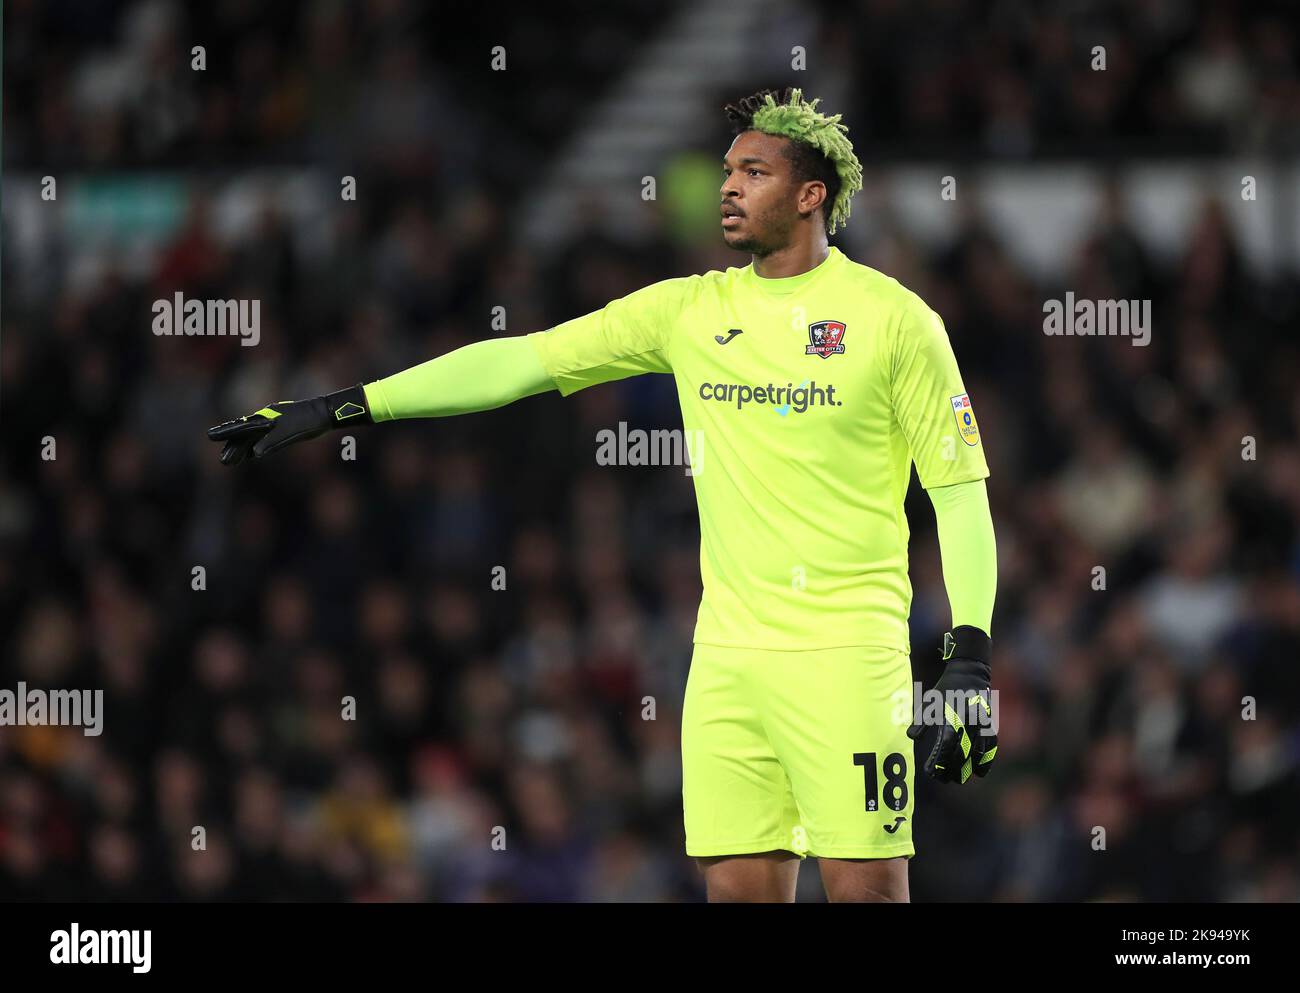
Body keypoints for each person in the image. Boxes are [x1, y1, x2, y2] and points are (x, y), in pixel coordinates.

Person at [208, 87, 998, 903]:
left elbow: (961, 494)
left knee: (867, 891)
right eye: (727, 170)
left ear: (810, 196)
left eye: (752, 173)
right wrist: (346, 404)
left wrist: (967, 658)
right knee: (737, 893)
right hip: (726, 660)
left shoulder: (897, 323)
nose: (726, 187)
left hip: (847, 655)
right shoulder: (690, 311)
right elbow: (524, 361)